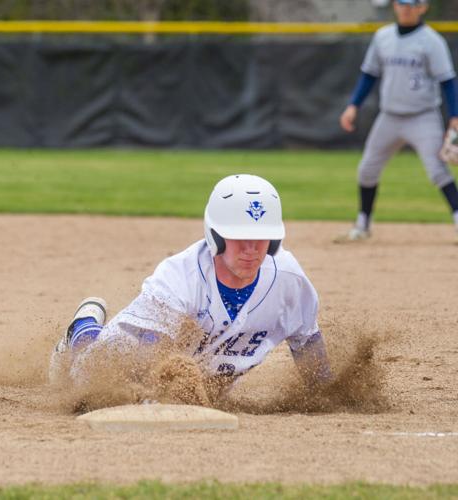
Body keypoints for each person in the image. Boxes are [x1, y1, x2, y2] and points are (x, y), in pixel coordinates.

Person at [49, 174, 332, 398]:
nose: (251, 248)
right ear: (216, 235)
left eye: (261, 237)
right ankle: (82, 329)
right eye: (240, 236)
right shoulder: (178, 279)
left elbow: (308, 344)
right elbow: (148, 364)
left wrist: (329, 395)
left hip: (200, 380)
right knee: (83, 378)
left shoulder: (289, 281)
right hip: (121, 360)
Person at [338, 0, 458, 242]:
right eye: (402, 3)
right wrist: (353, 105)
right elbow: (369, 74)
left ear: (422, 7)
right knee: (367, 169)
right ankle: (363, 223)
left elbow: (447, 81)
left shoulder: (432, 41)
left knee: (437, 171)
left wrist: (455, 116)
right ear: (395, 6)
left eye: (412, 4)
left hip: (423, 116)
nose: (406, 8)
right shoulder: (383, 36)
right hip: (389, 116)